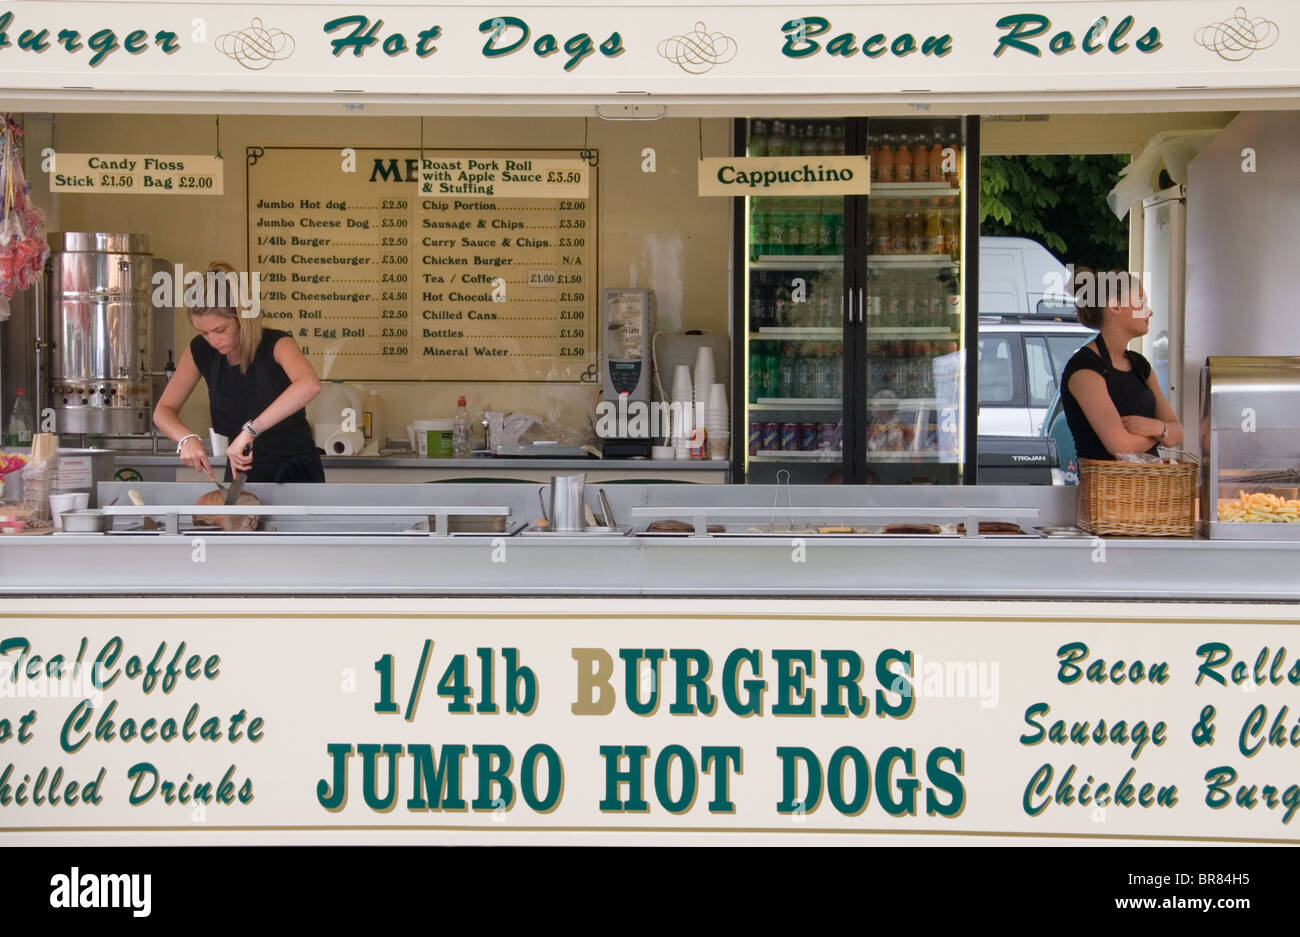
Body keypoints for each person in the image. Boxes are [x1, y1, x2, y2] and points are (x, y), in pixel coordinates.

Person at [154, 263, 325, 483]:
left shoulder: (277, 343)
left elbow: (309, 385)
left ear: (241, 317)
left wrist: (250, 431)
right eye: (204, 332)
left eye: (220, 330)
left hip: (295, 473)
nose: (213, 340)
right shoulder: (200, 350)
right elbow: (163, 411)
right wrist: (185, 438)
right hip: (240, 473)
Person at [1060, 268, 1182, 461]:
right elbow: (1119, 445)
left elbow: (1177, 432)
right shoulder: (1084, 369)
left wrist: (1154, 427)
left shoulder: (1140, 365)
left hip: (1148, 488)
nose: (1149, 311)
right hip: (1105, 489)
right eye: (1141, 302)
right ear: (1115, 307)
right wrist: (1160, 435)